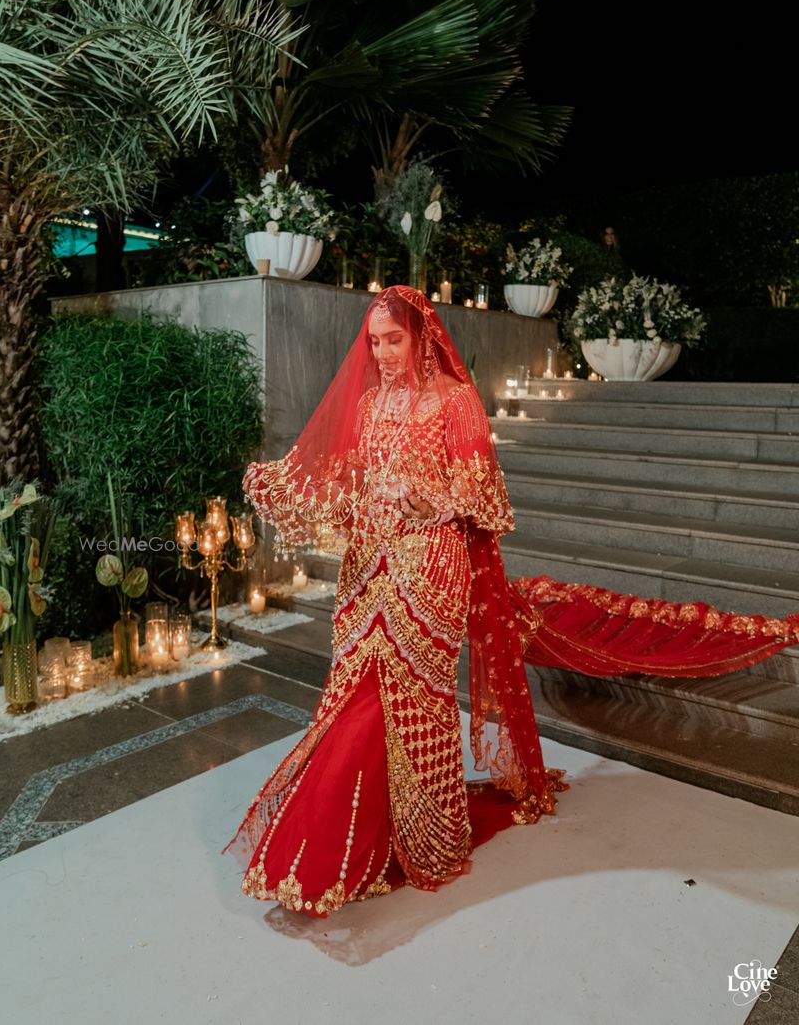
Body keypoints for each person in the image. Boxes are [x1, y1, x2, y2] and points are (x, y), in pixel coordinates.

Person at [222, 286, 799, 918]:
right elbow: (349, 480)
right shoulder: (367, 402)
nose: (383, 352)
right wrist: (291, 486)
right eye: (375, 341)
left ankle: (424, 840)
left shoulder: (456, 401)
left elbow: (488, 497)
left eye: (395, 338)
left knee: (414, 698)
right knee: (352, 690)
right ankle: (359, 835)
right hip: (367, 566)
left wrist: (432, 502)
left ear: (421, 335)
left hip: (432, 567)